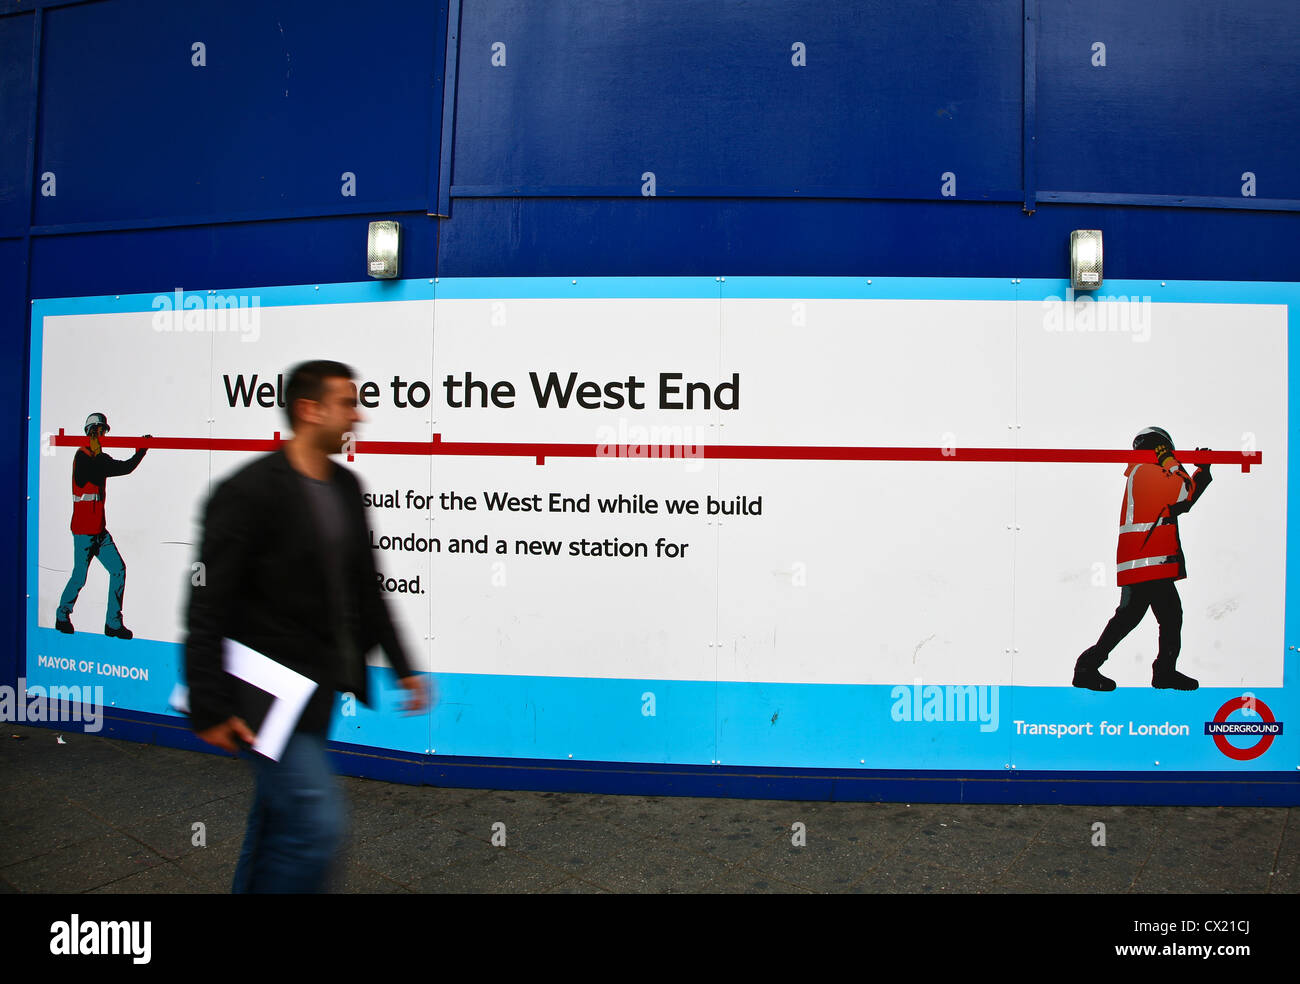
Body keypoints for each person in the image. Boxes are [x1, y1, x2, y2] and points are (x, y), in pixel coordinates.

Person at [184, 359, 430, 893]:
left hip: (317, 690)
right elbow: (206, 606)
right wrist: (209, 707)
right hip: (261, 696)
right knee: (317, 827)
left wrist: (404, 667)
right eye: (347, 403)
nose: (358, 416)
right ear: (309, 409)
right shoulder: (248, 492)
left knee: (277, 821)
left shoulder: (345, 486)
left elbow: (366, 587)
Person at [1073, 426, 1212, 692]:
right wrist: (1172, 463)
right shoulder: (1148, 471)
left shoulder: (1146, 472)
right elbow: (1183, 492)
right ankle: (1091, 667)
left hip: (1146, 561)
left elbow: (1185, 498)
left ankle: (1155, 671)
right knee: (1153, 617)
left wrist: (1202, 471)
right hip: (1148, 561)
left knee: (1150, 616)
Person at [55, 412, 150, 638]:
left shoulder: (99, 457)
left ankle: (113, 623)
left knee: (118, 570)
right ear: (92, 432)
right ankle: (62, 615)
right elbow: (90, 472)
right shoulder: (82, 457)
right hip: (83, 532)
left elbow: (124, 468)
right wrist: (100, 452)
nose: (103, 435)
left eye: (104, 431)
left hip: (99, 531)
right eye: (100, 431)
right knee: (80, 576)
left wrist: (140, 452)